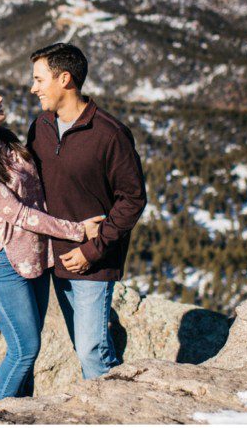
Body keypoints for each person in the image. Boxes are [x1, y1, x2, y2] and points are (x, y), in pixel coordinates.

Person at [0, 75, 105, 402]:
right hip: (2, 264)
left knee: (28, 355)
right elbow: (20, 214)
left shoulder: (4, 141)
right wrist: (78, 230)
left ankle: (21, 416)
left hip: (34, 259)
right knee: (24, 349)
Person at [26, 43, 147, 380]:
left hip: (94, 261)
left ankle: (116, 412)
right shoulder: (41, 127)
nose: (33, 88)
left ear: (65, 79)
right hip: (57, 259)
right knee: (84, 347)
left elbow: (133, 199)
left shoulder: (110, 134)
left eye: (39, 79)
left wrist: (93, 250)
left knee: (93, 352)